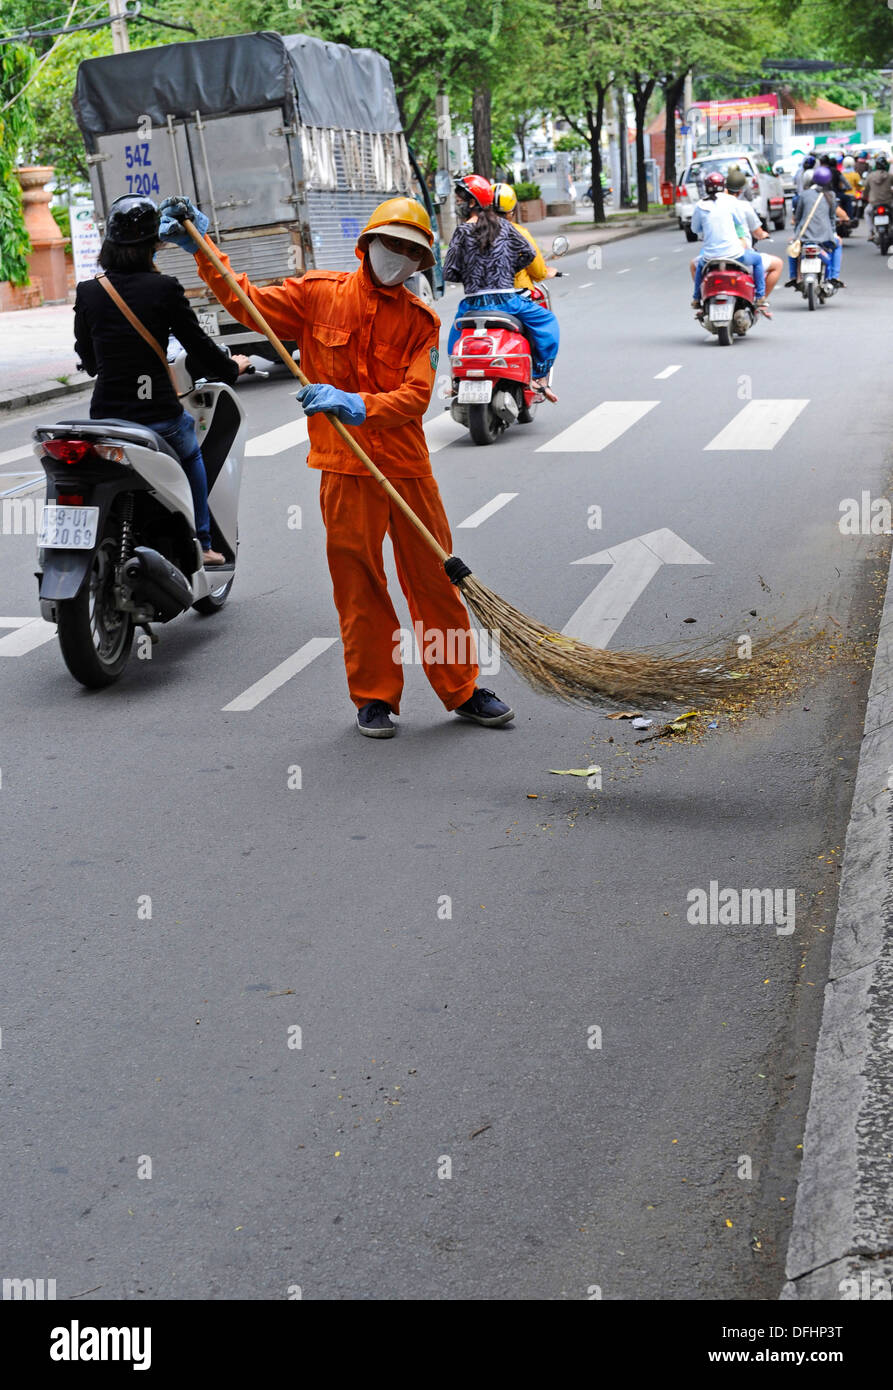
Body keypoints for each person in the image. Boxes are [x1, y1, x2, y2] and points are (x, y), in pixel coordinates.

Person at [158, 193, 514, 740]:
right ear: (366, 244)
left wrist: (355, 404)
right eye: (389, 243)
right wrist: (203, 249)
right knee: (359, 586)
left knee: (434, 582)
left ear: (421, 263)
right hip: (345, 468)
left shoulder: (421, 321)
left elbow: (416, 398)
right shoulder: (317, 296)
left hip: (405, 468)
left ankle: (462, 689)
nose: (396, 255)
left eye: (409, 250)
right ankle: (374, 698)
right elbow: (246, 302)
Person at [73, 194, 250, 567]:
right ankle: (201, 543)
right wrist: (233, 366)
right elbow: (200, 349)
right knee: (191, 451)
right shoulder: (164, 289)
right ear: (155, 243)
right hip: (158, 419)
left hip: (105, 420)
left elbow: (89, 362)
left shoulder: (89, 292)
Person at [444, 174, 560, 402]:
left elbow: (449, 272)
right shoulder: (506, 227)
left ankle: (457, 380)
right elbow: (528, 253)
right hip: (508, 303)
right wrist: (507, 268)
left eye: (459, 200)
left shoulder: (462, 231)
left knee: (454, 339)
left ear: (471, 202)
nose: (457, 204)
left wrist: (468, 274)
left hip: (473, 305)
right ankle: (539, 377)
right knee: (548, 323)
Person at [690, 171, 768, 311]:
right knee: (757, 260)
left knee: (700, 267)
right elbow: (739, 221)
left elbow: (695, 229)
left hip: (710, 257)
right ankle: (760, 297)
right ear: (722, 186)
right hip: (734, 254)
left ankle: (696, 298)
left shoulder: (700, 205)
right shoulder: (731, 202)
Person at [722, 166, 781, 311]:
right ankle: (760, 299)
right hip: (739, 254)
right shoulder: (743, 206)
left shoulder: (714, 206)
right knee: (774, 263)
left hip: (715, 254)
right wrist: (763, 235)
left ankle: (698, 298)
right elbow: (757, 232)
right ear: (741, 190)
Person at [785, 165, 847, 288]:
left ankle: (793, 277)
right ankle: (834, 277)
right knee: (838, 245)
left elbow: (798, 217)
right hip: (825, 236)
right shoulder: (831, 195)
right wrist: (834, 234)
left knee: (792, 247)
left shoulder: (804, 195)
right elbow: (832, 218)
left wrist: (797, 235)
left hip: (804, 236)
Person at [491, 181, 558, 293]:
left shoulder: (473, 233)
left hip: (481, 300)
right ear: (510, 212)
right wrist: (546, 272)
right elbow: (538, 270)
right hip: (516, 294)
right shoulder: (519, 232)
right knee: (547, 312)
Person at [864, 155, 893, 241]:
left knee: (866, 212)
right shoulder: (889, 176)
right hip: (888, 202)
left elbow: (866, 189)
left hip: (874, 203)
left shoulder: (870, 176)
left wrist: (864, 196)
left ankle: (871, 231)